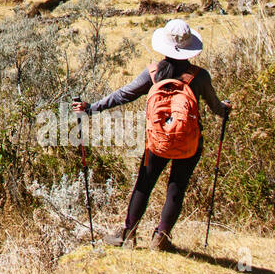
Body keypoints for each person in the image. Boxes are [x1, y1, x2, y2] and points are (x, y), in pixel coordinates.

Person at [72, 19, 231, 251]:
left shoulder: (154, 73)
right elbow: (217, 108)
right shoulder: (200, 77)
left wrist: (91, 108)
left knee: (144, 185)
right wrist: (225, 109)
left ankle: (128, 235)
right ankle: (161, 239)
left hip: (157, 142)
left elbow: (123, 94)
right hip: (189, 143)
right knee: (177, 187)